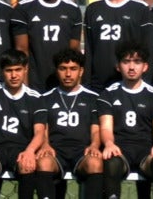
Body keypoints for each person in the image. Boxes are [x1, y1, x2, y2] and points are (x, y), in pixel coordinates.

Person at [98, 42, 153, 199]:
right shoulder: (108, 94)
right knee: (111, 163)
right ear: (118, 66)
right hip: (120, 149)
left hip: (146, 150)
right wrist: (109, 143)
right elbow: (105, 128)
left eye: (137, 62)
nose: (131, 67)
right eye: (126, 62)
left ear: (145, 66)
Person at [0, 49, 47, 199]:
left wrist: (30, 151)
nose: (14, 75)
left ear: (25, 69)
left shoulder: (36, 98)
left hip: (21, 149)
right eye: (9, 70)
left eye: (18, 70)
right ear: (2, 71)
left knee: (27, 165)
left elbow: (40, 132)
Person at [36, 48, 103, 199]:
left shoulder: (93, 98)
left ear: (81, 71)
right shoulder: (45, 98)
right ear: (56, 70)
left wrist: (94, 145)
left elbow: (96, 130)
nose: (68, 74)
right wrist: (45, 144)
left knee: (95, 163)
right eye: (63, 69)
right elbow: (42, 127)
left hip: (81, 150)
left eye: (73, 69)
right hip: (55, 150)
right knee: (43, 163)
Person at [11, 0, 83, 91]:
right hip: (33, 84)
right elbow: (21, 50)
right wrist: (25, 88)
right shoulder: (23, 9)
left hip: (62, 85)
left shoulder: (72, 10)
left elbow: (73, 51)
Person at [84, 0, 153, 90]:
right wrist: (86, 84)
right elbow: (88, 51)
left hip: (130, 84)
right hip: (98, 85)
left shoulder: (140, 9)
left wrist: (145, 85)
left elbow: (148, 50)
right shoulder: (93, 9)